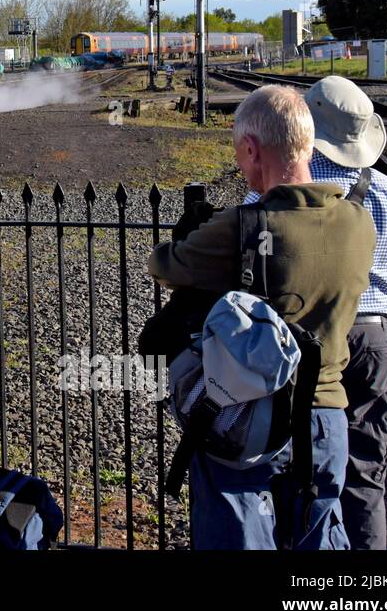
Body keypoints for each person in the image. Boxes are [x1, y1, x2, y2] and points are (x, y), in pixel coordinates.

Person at [148, 84, 374, 550]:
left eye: (239, 152)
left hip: (246, 421)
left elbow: (166, 264)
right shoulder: (358, 223)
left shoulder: (244, 226)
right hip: (327, 419)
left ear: (251, 149)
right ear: (308, 143)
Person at [247, 76, 387, 549]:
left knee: (303, 466)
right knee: (366, 474)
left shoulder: (283, 192)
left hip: (314, 335)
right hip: (376, 337)